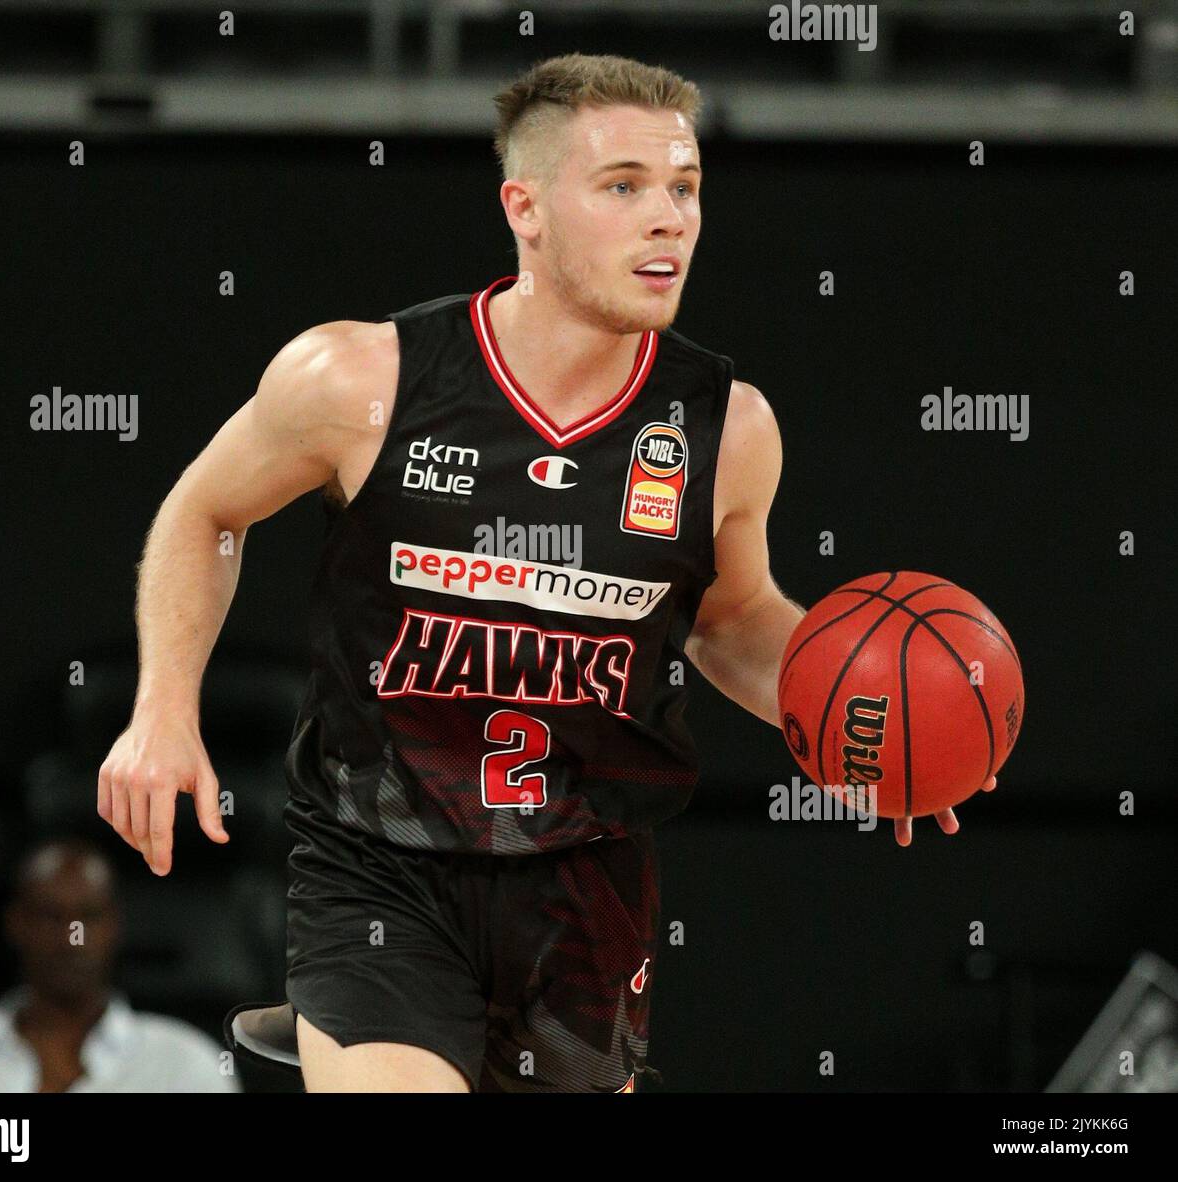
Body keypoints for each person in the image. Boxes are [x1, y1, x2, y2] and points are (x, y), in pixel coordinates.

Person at [97, 53, 993, 1093]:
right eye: (623, 187)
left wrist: (864, 720)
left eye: (684, 188)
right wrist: (161, 709)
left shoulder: (726, 427)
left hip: (585, 879)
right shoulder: (360, 379)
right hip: (379, 862)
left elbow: (730, 617)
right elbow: (205, 510)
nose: (668, 218)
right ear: (523, 208)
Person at [0, 838, 237, 1093]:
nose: (72, 937)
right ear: (15, 923)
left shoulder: (184, 1065)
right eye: (51, 917)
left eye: (89, 917)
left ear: (115, 926)